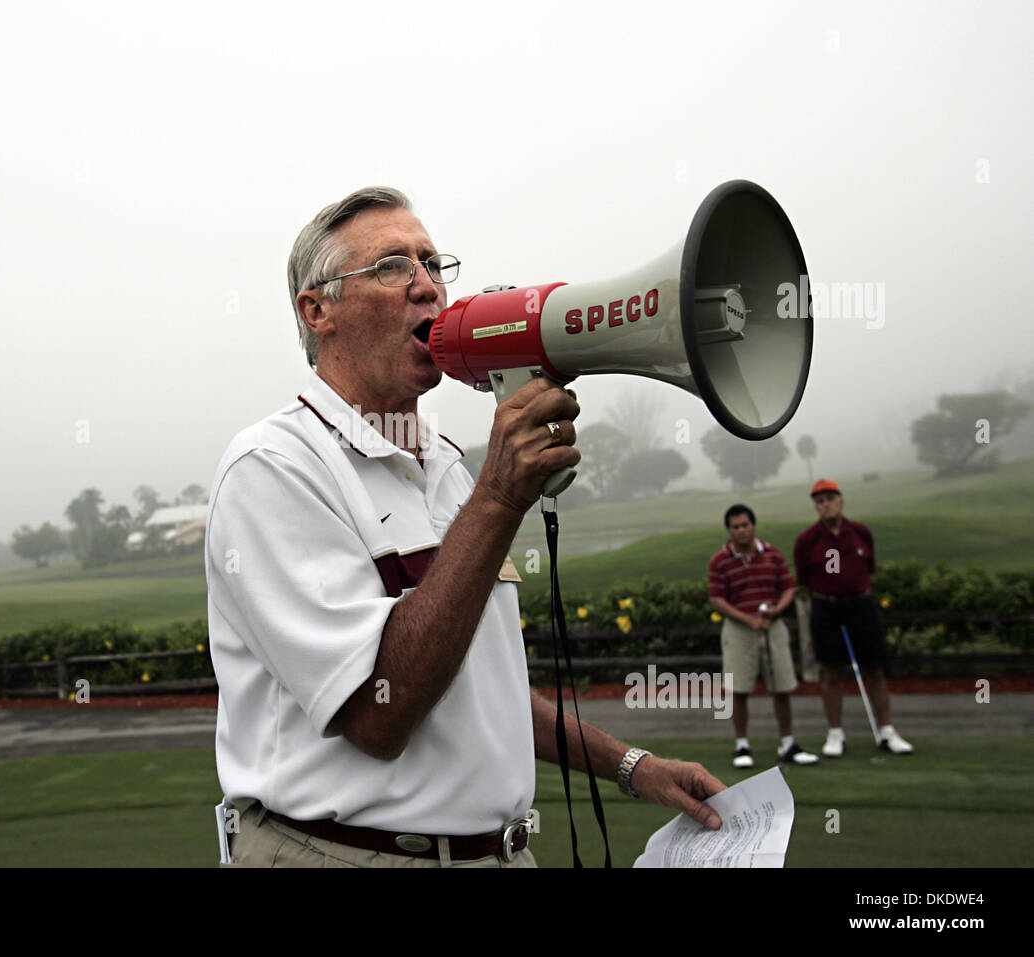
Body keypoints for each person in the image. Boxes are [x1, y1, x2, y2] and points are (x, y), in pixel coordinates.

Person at [206, 186, 725, 868]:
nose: (428, 288)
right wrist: (499, 498)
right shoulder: (273, 469)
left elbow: (485, 688)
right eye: (392, 267)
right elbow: (378, 712)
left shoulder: (447, 465)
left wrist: (632, 765)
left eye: (433, 264)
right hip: (346, 855)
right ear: (317, 309)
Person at [793, 479, 913, 756]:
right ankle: (835, 734)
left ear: (841, 501)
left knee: (874, 669)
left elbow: (869, 568)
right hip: (825, 607)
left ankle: (887, 730)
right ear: (816, 507)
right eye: (819, 501)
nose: (825, 505)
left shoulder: (860, 532)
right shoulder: (807, 540)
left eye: (830, 498)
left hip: (861, 606)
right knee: (832, 671)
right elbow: (804, 579)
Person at [708, 505, 818, 769]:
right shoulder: (720, 560)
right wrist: (749, 619)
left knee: (781, 686)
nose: (741, 530)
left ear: (753, 526)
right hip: (739, 630)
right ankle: (742, 745)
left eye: (745, 525)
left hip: (773, 626)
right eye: (736, 527)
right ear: (729, 530)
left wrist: (776, 611)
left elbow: (788, 589)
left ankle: (788, 743)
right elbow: (717, 599)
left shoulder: (772, 554)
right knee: (739, 690)